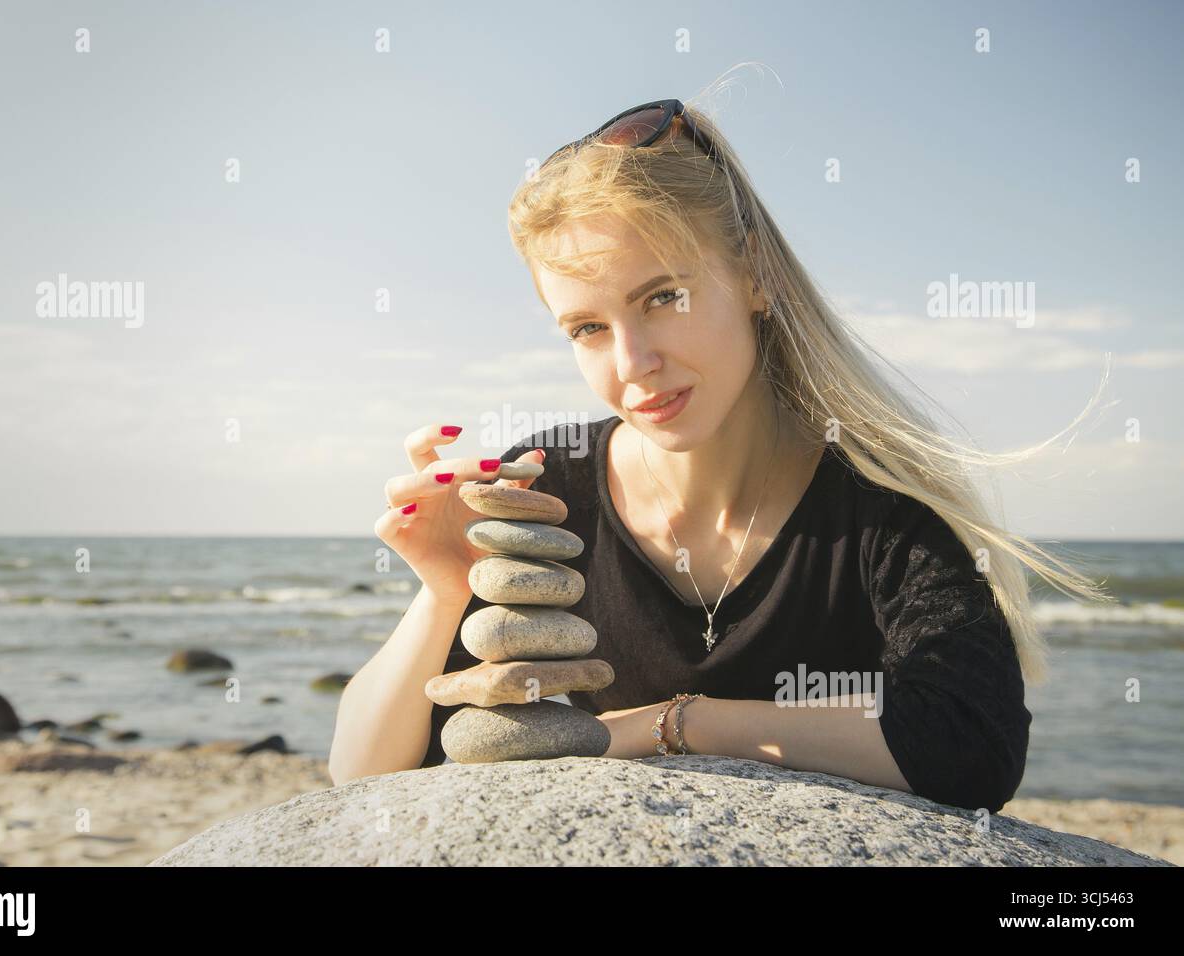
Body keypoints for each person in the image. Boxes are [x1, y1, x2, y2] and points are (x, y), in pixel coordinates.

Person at [328, 87, 1111, 812]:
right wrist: (446, 589)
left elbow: (973, 748)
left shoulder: (879, 502)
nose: (634, 363)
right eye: (588, 328)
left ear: (756, 277)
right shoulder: (550, 488)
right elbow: (358, 772)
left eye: (664, 297)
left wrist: (675, 724)